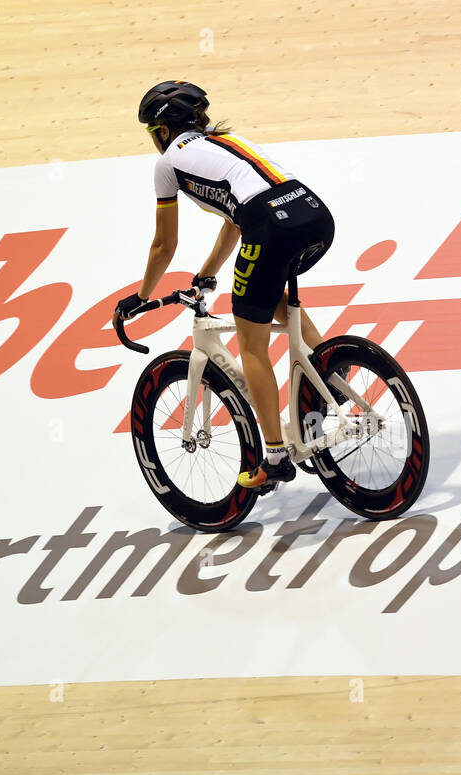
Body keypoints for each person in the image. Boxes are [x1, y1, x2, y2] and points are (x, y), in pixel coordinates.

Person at [114, 80, 335, 490]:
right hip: (313, 213)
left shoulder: (167, 165)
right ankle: (326, 378)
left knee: (250, 341)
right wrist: (206, 273)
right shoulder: (226, 141)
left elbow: (164, 245)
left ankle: (275, 457)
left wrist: (142, 297)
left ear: (162, 131)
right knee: (272, 301)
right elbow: (235, 219)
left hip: (270, 227)